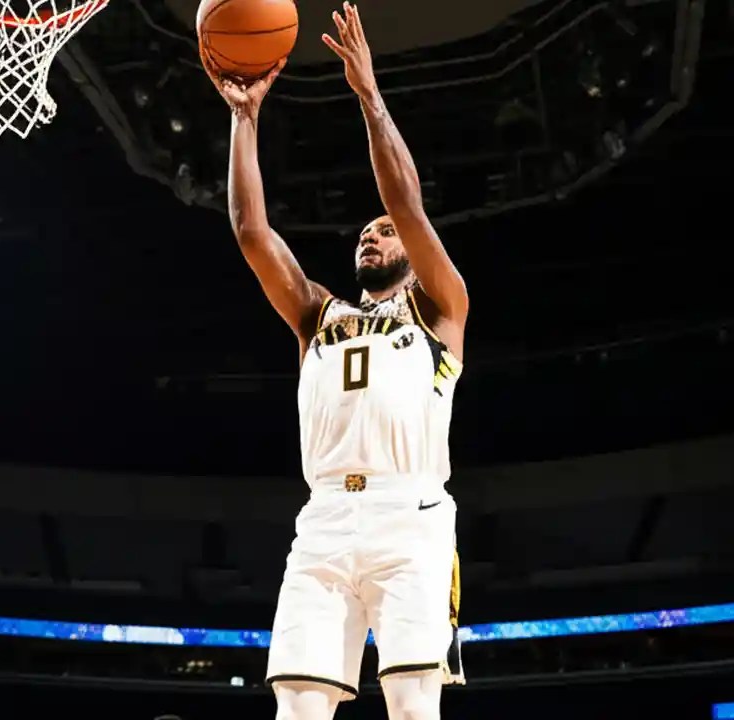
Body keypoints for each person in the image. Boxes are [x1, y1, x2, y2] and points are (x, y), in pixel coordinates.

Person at [201, 3, 469, 719]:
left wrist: (369, 95)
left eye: (385, 233)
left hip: (408, 512)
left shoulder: (440, 308)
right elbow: (250, 230)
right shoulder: (317, 313)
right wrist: (244, 118)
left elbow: (406, 202)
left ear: (413, 254)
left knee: (413, 704)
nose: (373, 235)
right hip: (323, 518)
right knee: (297, 709)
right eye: (366, 231)